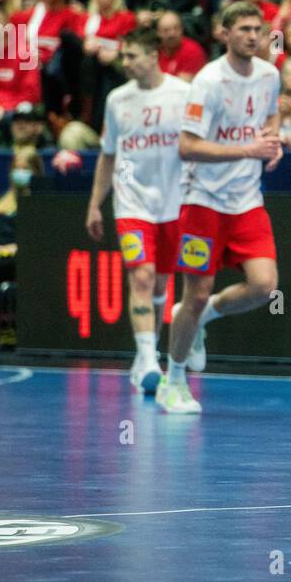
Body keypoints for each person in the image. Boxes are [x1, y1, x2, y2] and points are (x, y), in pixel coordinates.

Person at [162, 2, 284, 414]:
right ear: (225, 34)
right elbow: (187, 146)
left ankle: (201, 321)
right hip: (203, 202)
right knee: (194, 294)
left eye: (258, 29)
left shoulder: (270, 75)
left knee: (265, 287)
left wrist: (272, 140)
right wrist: (247, 148)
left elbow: (271, 113)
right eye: (244, 29)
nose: (253, 36)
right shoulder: (208, 82)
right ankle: (174, 380)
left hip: (247, 201)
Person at [87, 28, 190, 394]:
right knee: (142, 277)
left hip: (174, 203)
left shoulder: (184, 94)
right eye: (123, 56)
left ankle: (148, 351)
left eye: (131, 55)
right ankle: (147, 358)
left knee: (162, 283)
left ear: (153, 55)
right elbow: (109, 154)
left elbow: (199, 145)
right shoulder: (117, 100)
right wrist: (95, 204)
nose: (124, 62)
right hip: (132, 203)